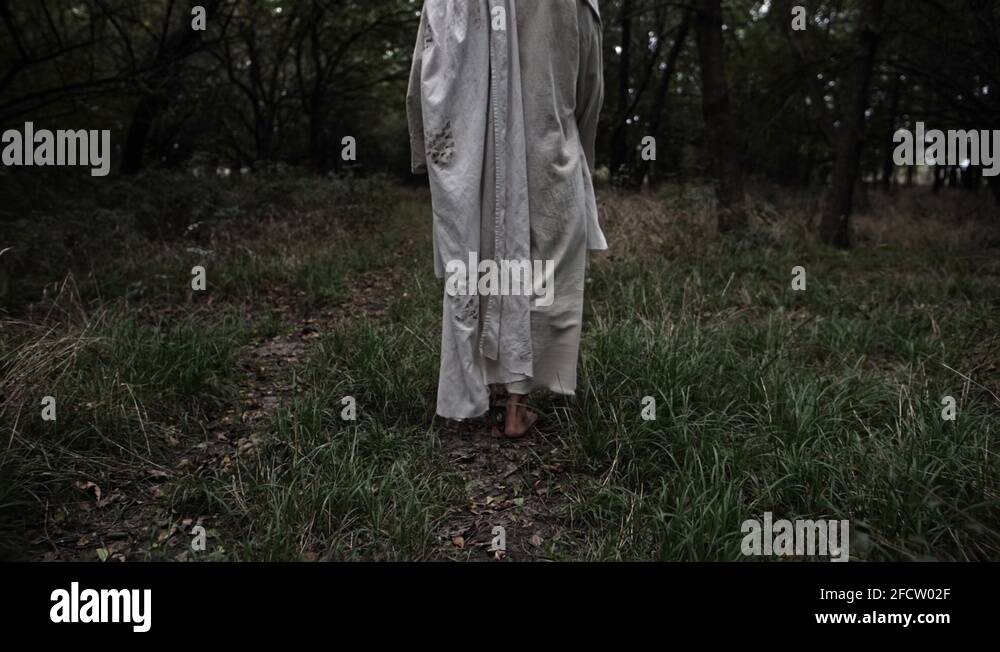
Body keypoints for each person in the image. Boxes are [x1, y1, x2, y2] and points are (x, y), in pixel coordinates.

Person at [407, 0, 607, 437]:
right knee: (542, 266)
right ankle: (517, 403)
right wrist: (582, 145)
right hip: (549, 143)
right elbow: (590, 76)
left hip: (475, 151)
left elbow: (426, 66)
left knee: (479, 262)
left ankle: (471, 390)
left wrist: (432, 149)